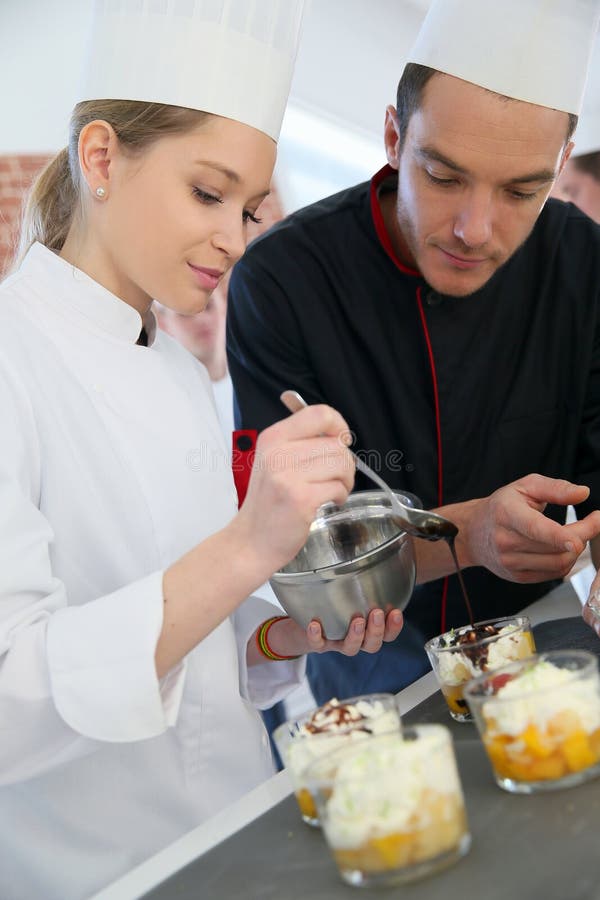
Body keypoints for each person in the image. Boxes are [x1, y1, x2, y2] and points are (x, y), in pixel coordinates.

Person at [0, 3, 405, 899]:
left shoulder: (178, 370)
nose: (237, 237)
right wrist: (248, 545)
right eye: (207, 193)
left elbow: (194, 652)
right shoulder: (10, 363)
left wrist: (280, 635)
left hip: (242, 844)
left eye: (251, 206)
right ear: (101, 158)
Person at [227, 0, 600, 706]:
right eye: (444, 176)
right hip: (373, 658)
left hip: (550, 636)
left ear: (557, 168)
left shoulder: (583, 262)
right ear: (395, 137)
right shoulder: (282, 280)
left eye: (524, 190)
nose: (475, 228)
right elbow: (293, 549)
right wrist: (473, 533)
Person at [155, 289, 235, 437]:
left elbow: (244, 457)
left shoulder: (252, 378)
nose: (201, 319)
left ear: (223, 306)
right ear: (163, 324)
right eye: (185, 314)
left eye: (209, 306)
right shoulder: (165, 403)